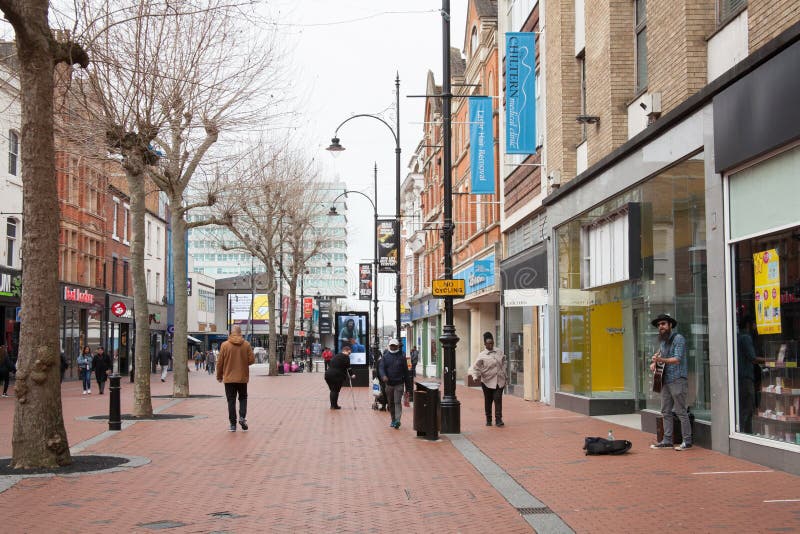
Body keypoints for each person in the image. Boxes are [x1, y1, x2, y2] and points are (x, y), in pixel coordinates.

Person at [649, 313, 693, 450]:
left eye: (663, 324)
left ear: (670, 325)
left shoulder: (678, 338)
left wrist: (660, 360)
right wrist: (654, 362)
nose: (660, 327)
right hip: (665, 380)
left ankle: (687, 441)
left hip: (677, 379)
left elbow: (677, 359)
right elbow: (660, 354)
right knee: (665, 411)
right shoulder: (663, 340)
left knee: (680, 411)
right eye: (658, 325)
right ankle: (667, 440)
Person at [216, 325, 255, 432]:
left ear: (230, 333)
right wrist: (242, 362)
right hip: (242, 377)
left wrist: (219, 376)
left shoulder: (224, 345)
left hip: (229, 379)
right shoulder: (246, 345)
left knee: (231, 401)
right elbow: (252, 360)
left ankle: (233, 425)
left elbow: (220, 363)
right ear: (240, 332)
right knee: (243, 398)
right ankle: (242, 417)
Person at [469, 332, 508, 427]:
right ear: (485, 344)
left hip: (499, 380)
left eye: (492, 343)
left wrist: (504, 371)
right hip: (487, 381)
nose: (491, 345)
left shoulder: (499, 351)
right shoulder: (481, 355)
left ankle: (498, 419)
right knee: (488, 400)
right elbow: (476, 367)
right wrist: (475, 376)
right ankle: (488, 419)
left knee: (497, 398)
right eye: (489, 343)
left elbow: (504, 361)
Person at [378, 338, 412, 429]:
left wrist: (408, 388)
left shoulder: (402, 357)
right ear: (389, 346)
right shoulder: (385, 356)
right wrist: (383, 376)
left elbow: (406, 372)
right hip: (389, 384)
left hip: (399, 384)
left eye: (394, 345)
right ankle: (393, 420)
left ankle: (397, 420)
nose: (392, 347)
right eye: (391, 345)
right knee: (391, 403)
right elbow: (381, 368)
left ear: (397, 346)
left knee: (397, 402)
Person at [736, 315, 758, 434]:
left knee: (741, 406)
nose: (756, 326)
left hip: (739, 377)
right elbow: (753, 357)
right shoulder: (746, 338)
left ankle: (743, 430)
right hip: (746, 377)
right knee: (749, 406)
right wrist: (769, 359)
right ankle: (747, 432)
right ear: (749, 325)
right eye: (754, 323)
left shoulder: (738, 337)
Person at [324, 344, 353, 410]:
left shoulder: (336, 356)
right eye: (349, 352)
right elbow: (349, 368)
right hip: (336, 376)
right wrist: (352, 375)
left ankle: (334, 405)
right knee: (335, 390)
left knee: (333, 390)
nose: (349, 354)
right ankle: (333, 406)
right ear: (346, 351)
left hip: (328, 375)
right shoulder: (346, 357)